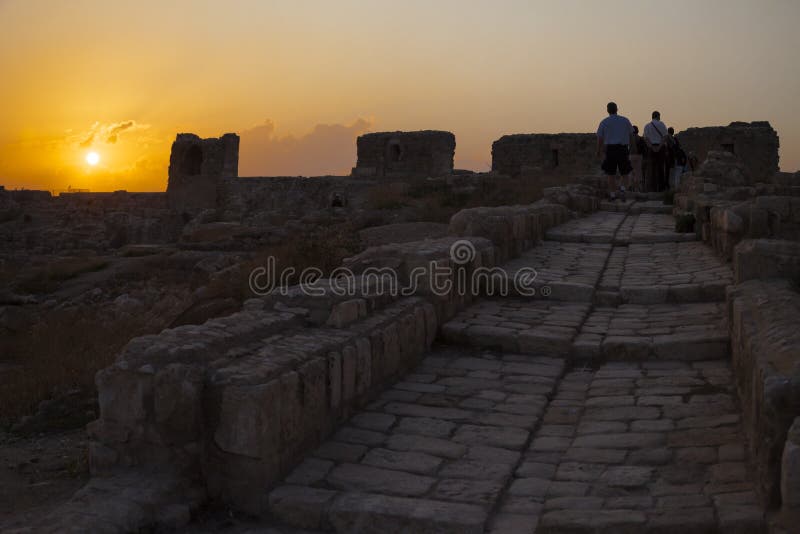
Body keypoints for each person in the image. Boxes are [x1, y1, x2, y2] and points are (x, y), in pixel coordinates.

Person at [596, 101, 634, 201]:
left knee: (610, 174)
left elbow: (600, 138)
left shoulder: (604, 122)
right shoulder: (625, 120)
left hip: (610, 150)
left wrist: (598, 150)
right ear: (617, 109)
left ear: (607, 110)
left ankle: (612, 195)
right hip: (623, 149)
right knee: (625, 172)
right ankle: (622, 189)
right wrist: (631, 147)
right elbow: (631, 135)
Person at [644, 111, 668, 191]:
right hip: (660, 148)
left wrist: (652, 147)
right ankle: (661, 188)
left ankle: (652, 188)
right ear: (658, 116)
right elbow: (665, 137)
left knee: (652, 169)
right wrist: (659, 147)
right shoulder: (662, 124)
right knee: (661, 168)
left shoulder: (647, 126)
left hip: (651, 148)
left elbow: (646, 139)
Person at [630, 125, 646, 192]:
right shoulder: (640, 138)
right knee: (638, 172)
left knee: (631, 172)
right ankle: (638, 188)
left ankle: (632, 187)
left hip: (631, 155)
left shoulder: (629, 138)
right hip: (639, 156)